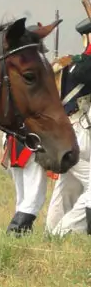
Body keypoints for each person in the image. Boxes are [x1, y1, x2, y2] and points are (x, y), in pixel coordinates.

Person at [45, 18, 91, 236]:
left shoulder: (70, 62)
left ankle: (49, 232)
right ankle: (61, 233)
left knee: (66, 188)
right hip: (78, 133)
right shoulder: (83, 65)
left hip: (65, 133)